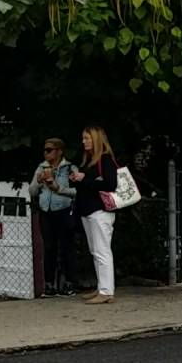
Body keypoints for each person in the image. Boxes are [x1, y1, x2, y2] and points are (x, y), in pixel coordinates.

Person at [70, 127, 119, 305]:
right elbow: (88, 183)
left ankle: (107, 290)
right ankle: (102, 287)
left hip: (100, 211)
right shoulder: (89, 161)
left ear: (96, 139)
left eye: (87, 138)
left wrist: (85, 180)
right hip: (88, 210)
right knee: (95, 250)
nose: (84, 142)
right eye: (83, 138)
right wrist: (78, 179)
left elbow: (110, 184)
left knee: (102, 250)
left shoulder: (105, 159)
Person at [29, 139, 78, 297]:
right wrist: (38, 181)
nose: (46, 153)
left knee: (66, 247)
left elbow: (77, 191)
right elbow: (32, 191)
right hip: (46, 211)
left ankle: (68, 283)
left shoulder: (70, 168)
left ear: (59, 151)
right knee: (49, 247)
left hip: (63, 210)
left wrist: (58, 188)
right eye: (45, 150)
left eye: (49, 150)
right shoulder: (41, 167)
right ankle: (49, 284)